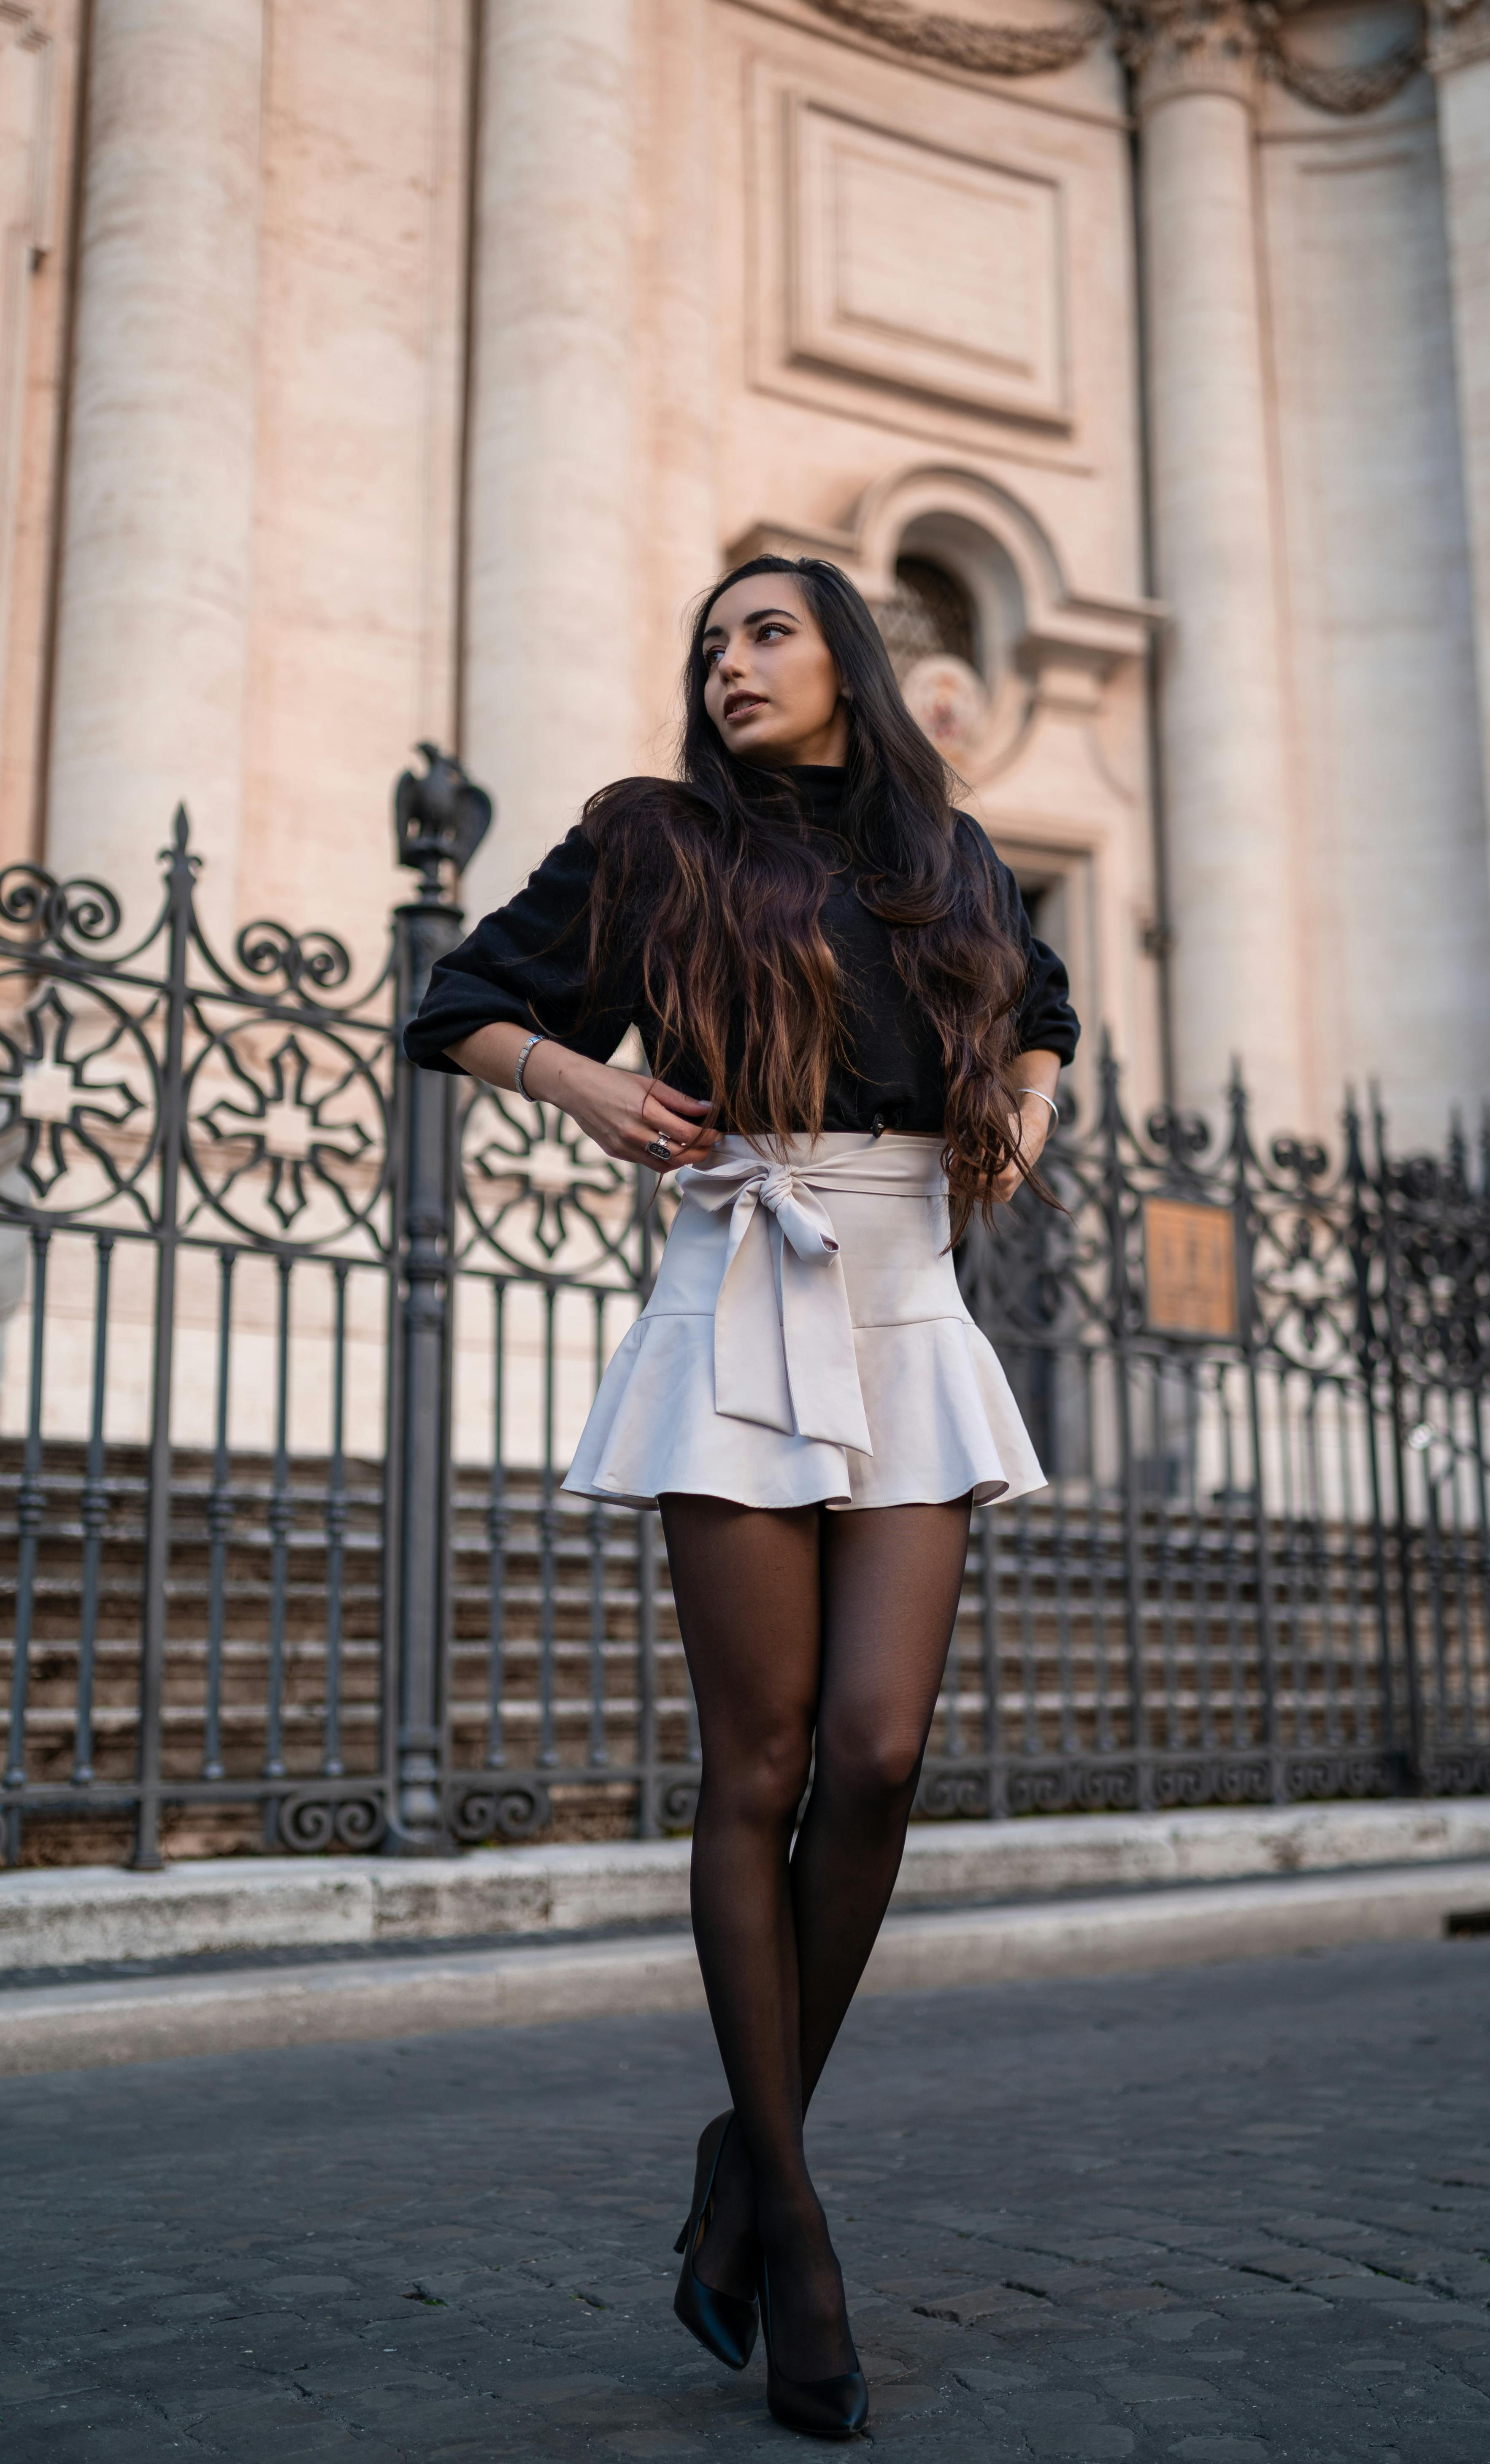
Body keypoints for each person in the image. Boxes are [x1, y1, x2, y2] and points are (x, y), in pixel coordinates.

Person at [404, 554, 1079, 2440]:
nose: (726, 663)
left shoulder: (941, 853)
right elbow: (454, 1002)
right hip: (737, 1280)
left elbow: (1044, 1003)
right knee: (760, 1759)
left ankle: (730, 2154)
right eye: (706, 642)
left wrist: (1015, 1107)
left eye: (764, 632)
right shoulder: (654, 841)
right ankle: (791, 2224)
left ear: (847, 659)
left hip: (904, 1290)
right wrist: (581, 1086)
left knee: (877, 1751)